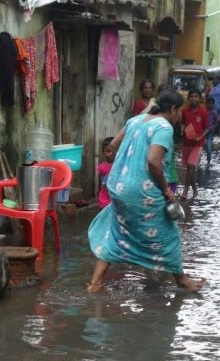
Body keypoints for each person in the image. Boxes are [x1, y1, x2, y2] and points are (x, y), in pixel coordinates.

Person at [87, 90, 205, 293]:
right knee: (168, 235)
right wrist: (167, 190)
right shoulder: (164, 127)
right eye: (179, 112)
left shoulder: (136, 120)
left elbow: (114, 145)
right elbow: (153, 162)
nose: (179, 117)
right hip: (140, 190)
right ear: (174, 109)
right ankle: (181, 279)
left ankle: (95, 283)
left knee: (117, 233)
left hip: (118, 185)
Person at [180, 87, 210, 201]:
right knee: (189, 167)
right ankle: (195, 189)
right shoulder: (184, 111)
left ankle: (185, 190)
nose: (193, 99)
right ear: (188, 98)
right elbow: (182, 124)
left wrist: (200, 136)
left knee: (191, 166)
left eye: (196, 96)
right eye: (191, 96)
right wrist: (184, 130)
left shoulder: (203, 112)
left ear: (200, 99)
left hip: (198, 144)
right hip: (187, 142)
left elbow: (207, 128)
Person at [204, 95, 220, 167]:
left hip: (210, 133)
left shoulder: (214, 113)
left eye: (211, 104)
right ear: (205, 103)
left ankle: (208, 161)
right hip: (202, 133)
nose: (210, 105)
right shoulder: (203, 112)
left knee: (209, 147)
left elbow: (219, 122)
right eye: (208, 103)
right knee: (200, 148)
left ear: (213, 104)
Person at [96, 136, 115, 209]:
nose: (111, 154)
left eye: (113, 151)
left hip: (115, 202)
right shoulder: (101, 167)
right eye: (108, 151)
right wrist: (99, 198)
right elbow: (100, 185)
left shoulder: (120, 166)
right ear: (103, 152)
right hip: (104, 202)